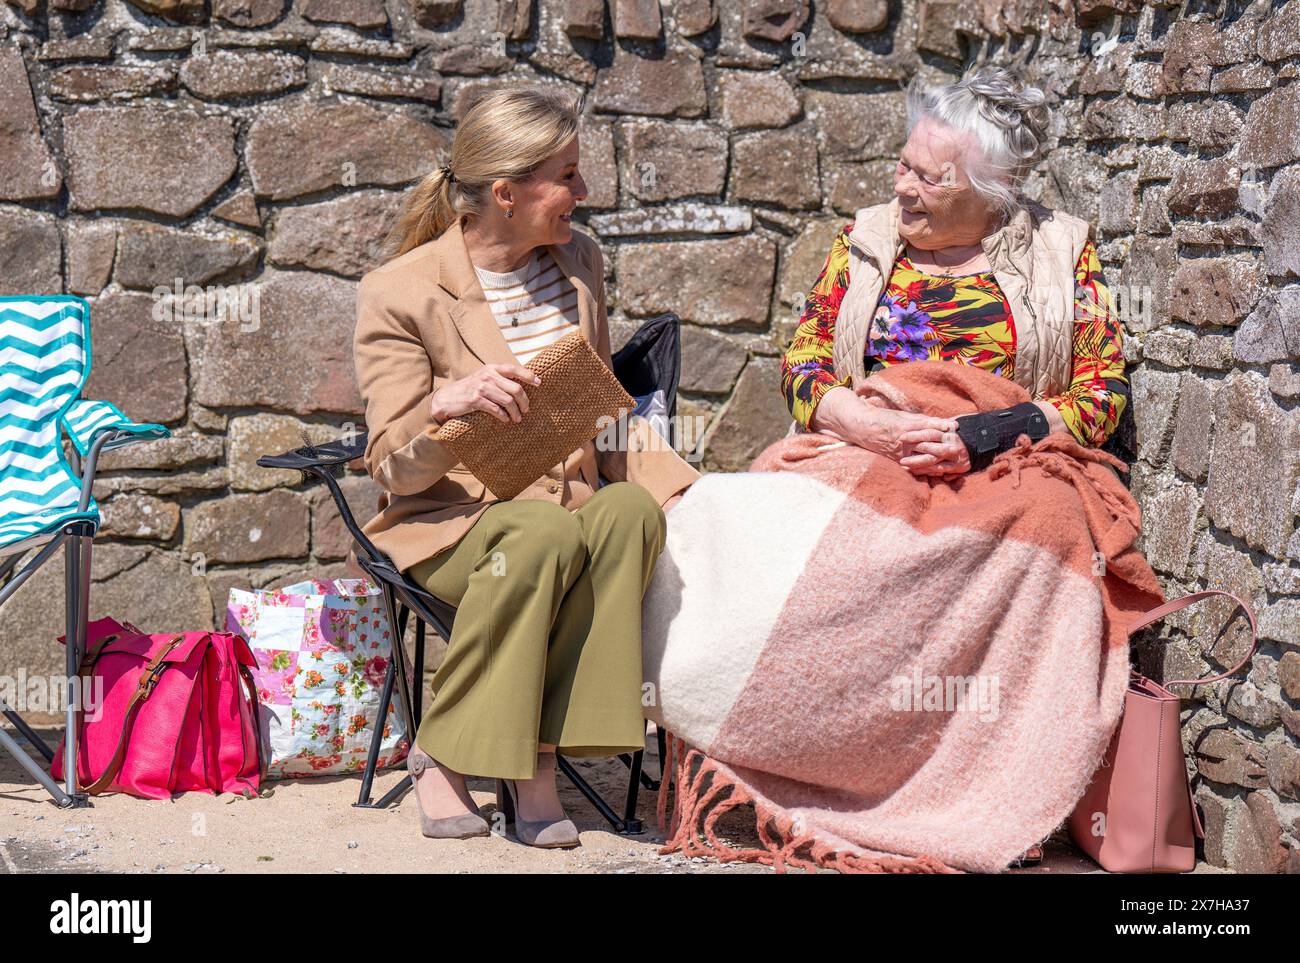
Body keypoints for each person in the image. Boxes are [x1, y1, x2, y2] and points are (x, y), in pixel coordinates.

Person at [353, 88, 699, 848]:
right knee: (542, 532)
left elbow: (603, 410)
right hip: (449, 526)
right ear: (506, 194)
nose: (584, 193)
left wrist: (690, 496)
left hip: (561, 515)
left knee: (627, 515)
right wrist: (451, 408)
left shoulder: (580, 263)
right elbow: (391, 467)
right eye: (568, 176)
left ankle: (537, 753)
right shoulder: (401, 293)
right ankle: (443, 751)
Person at [781, 66, 1128, 474]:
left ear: (993, 194)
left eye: (930, 179)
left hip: (1003, 467)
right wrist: (872, 428)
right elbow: (803, 363)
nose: (903, 188)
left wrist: (982, 439)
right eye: (904, 165)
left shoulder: (1062, 252)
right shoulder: (862, 243)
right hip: (863, 452)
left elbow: (1101, 393)